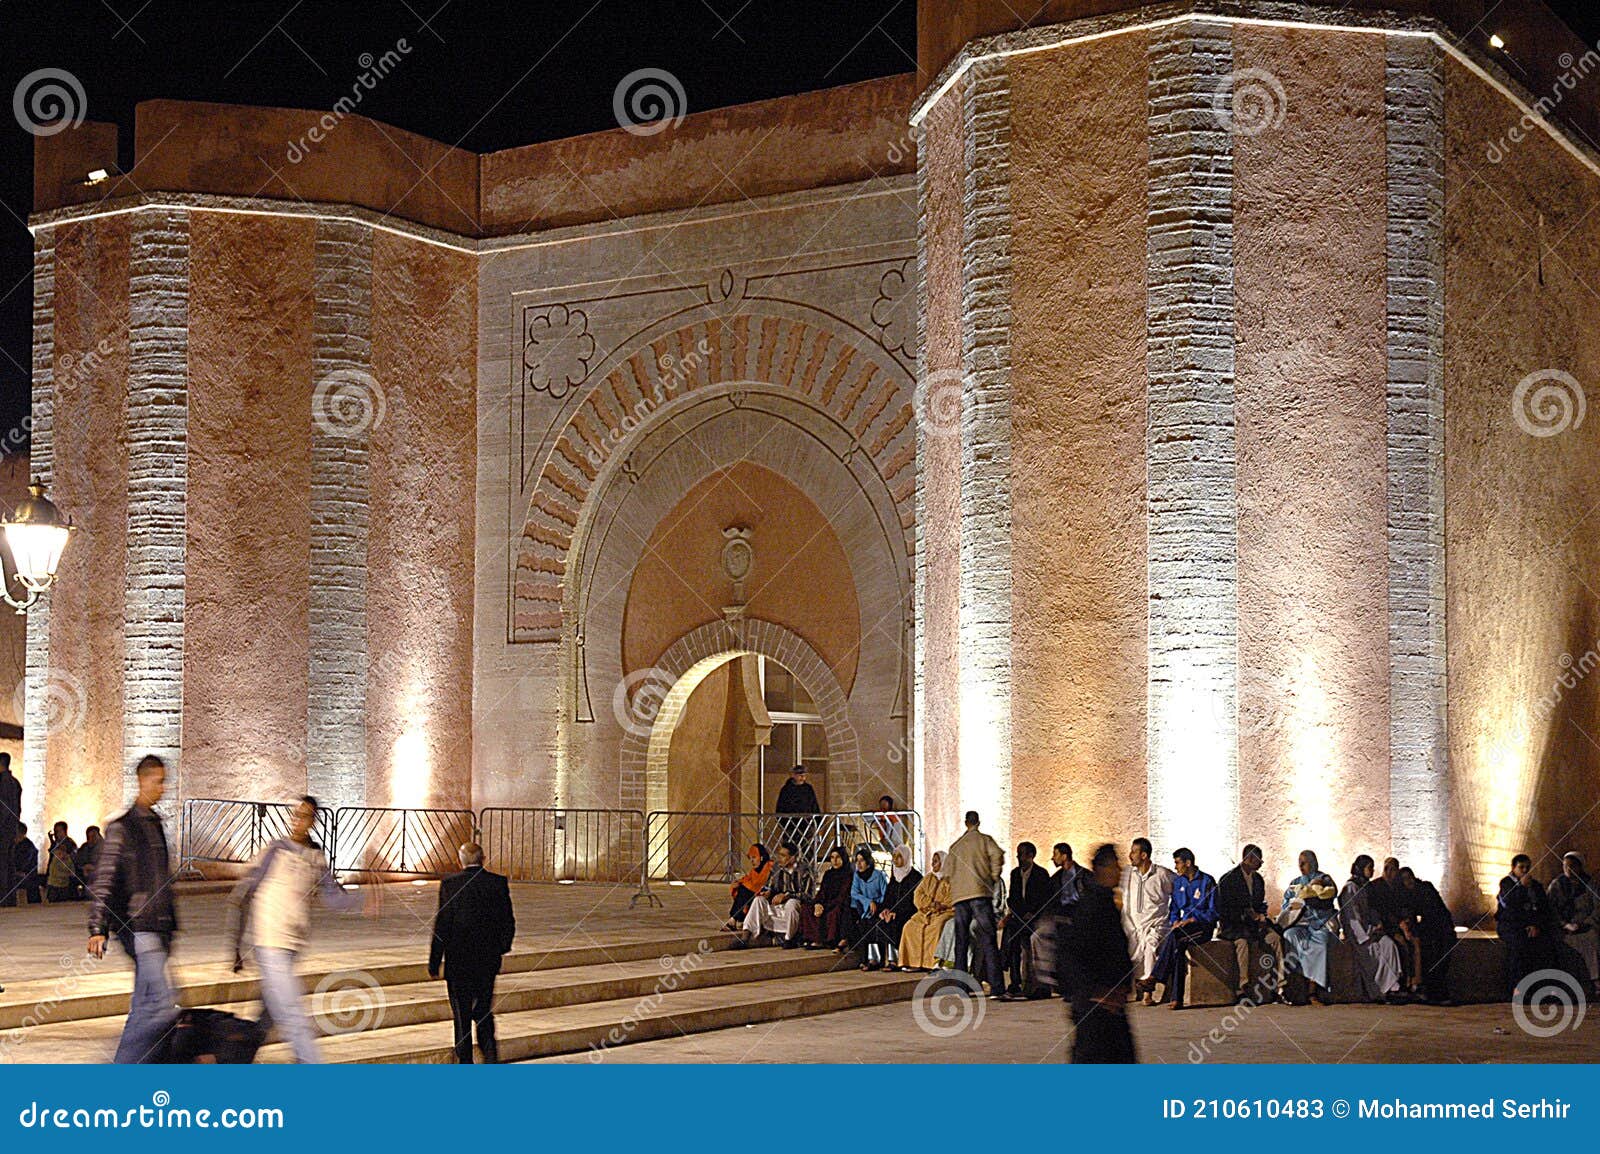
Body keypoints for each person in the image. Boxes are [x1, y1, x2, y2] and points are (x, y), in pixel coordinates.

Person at [229, 795, 365, 1063]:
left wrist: (364, 899)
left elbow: (333, 897)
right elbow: (243, 894)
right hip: (269, 942)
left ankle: (235, 1060)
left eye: (304, 816)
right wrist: (235, 946)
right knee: (292, 1013)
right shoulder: (275, 851)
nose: (297, 821)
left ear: (312, 820)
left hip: (292, 945)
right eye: (295, 815)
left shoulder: (316, 856)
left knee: (267, 1015)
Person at [87, 755, 179, 1064]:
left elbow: (161, 880)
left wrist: (171, 922)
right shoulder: (122, 828)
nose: (163, 788)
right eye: (158, 781)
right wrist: (97, 928)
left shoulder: (155, 824)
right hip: (139, 926)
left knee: (144, 1006)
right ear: (142, 781)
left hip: (160, 927)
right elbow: (104, 878)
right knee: (163, 1007)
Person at [429, 841, 516, 1063]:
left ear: (461, 860)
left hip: (458, 961)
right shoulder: (497, 883)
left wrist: (435, 960)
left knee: (462, 1015)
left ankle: (465, 1061)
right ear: (483, 859)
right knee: (484, 1010)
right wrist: (500, 948)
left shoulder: (451, 884)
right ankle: (490, 1056)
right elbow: (508, 921)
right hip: (487, 961)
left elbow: (443, 924)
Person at [1060, 844, 1138, 1063]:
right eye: (1115, 865)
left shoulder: (1106, 902)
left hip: (1110, 1003)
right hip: (1097, 1006)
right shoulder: (1090, 906)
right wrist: (1096, 991)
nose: (1120, 871)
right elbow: (1074, 954)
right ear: (1101, 869)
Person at [946, 810, 1005, 996]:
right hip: (980, 893)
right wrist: (993, 876)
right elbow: (997, 856)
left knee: (961, 942)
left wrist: (957, 886)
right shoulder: (985, 841)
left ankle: (961, 988)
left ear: (966, 823)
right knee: (988, 939)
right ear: (978, 822)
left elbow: (947, 873)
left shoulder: (956, 846)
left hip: (960, 897)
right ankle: (996, 987)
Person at [1216, 844, 1284, 1004]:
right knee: (1242, 943)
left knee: (1275, 939)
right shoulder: (1228, 879)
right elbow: (1223, 908)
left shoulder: (1258, 880)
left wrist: (1260, 916)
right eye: (1259, 860)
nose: (1261, 864)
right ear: (1250, 859)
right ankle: (1242, 987)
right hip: (1234, 926)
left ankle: (1279, 986)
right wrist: (1245, 914)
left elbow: (1259, 904)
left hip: (1254, 926)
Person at [1149, 847, 1216, 1009]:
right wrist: (1175, 921)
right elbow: (1173, 909)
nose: (1176, 867)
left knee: (1175, 938)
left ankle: (1156, 977)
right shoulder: (1179, 882)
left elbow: (1214, 912)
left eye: (1178, 863)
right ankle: (1176, 999)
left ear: (1188, 863)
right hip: (1182, 930)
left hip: (1202, 928)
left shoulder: (1207, 882)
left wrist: (1194, 918)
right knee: (1178, 946)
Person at [1339, 855, 1405, 1003]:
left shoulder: (1364, 887)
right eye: (1369, 867)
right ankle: (1383, 991)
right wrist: (1369, 932)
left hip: (1371, 930)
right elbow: (1352, 918)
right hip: (1360, 936)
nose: (1372, 871)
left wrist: (1377, 925)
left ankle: (1393, 988)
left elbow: (1371, 910)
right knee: (1374, 954)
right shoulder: (1350, 888)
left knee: (1389, 945)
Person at [1280, 850, 1338, 1005]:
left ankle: (1313, 990)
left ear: (1313, 863)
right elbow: (1286, 904)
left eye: (1304, 862)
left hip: (1320, 924)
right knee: (1289, 936)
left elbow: (1329, 898)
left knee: (1321, 945)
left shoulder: (1324, 879)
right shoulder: (1296, 882)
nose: (1301, 865)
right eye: (1299, 862)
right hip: (1300, 924)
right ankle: (1296, 988)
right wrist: (1294, 906)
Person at [1121, 837, 1173, 1005]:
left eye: (1134, 852)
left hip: (1156, 923)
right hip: (1133, 924)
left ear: (1144, 855)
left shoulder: (1162, 874)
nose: (1130, 855)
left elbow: (1179, 890)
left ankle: (1147, 994)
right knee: (1131, 952)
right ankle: (1131, 991)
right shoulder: (1128, 874)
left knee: (1150, 947)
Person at [1498, 853, 1556, 1001]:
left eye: (1527, 867)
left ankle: (1542, 989)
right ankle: (1517, 989)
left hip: (1532, 927)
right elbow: (1510, 906)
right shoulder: (1506, 884)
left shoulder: (1536, 885)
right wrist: (1522, 888)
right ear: (1513, 868)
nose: (1524, 870)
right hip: (1512, 926)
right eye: (1521, 867)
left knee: (1546, 947)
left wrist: (1535, 925)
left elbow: (1543, 908)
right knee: (1518, 948)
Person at [1397, 865, 1456, 1004]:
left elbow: (1433, 910)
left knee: (1439, 961)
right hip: (1433, 931)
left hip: (1441, 929)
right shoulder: (1409, 895)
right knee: (1433, 961)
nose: (1408, 881)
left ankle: (1438, 994)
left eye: (1409, 877)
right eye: (1404, 879)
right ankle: (1435, 994)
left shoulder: (1425, 888)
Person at [1002, 841, 1051, 999]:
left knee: (1026, 936)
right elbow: (1013, 898)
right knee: (1010, 935)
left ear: (1031, 856)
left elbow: (1044, 899)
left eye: (1022, 854)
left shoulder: (1041, 874)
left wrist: (1032, 913)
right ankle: (1014, 983)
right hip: (1020, 918)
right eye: (1018, 854)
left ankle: (1035, 985)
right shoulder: (1015, 874)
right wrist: (1018, 913)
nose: (1019, 858)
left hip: (1035, 919)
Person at [737, 840, 810, 948]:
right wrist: (767, 893)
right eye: (779, 855)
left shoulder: (803, 871)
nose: (779, 858)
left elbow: (808, 895)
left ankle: (789, 939)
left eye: (783, 856)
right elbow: (769, 886)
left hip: (793, 909)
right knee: (758, 900)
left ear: (792, 858)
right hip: (777, 906)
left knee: (792, 903)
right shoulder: (776, 868)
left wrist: (787, 896)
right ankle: (745, 936)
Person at [1547, 852, 1599, 996]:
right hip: (1564, 928)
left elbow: (1597, 908)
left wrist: (1583, 924)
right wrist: (1564, 924)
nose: (1568, 870)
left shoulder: (1590, 884)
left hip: (1586, 927)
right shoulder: (1557, 885)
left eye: (1572, 866)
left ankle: (1595, 982)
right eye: (1565, 866)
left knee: (1592, 940)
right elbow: (1551, 910)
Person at [1372, 856, 1421, 994]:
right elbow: (1382, 911)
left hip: (1398, 925)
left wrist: (1406, 921)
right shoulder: (1376, 886)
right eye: (1388, 869)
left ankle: (1415, 981)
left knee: (1415, 942)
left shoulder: (1397, 888)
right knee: (1402, 945)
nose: (1390, 872)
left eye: (1393, 869)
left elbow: (1403, 907)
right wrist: (1399, 925)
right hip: (1386, 926)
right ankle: (1403, 982)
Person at [899, 849, 952, 970]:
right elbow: (917, 895)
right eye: (932, 861)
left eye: (936, 861)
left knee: (937, 927)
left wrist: (940, 906)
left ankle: (933, 963)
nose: (933, 864)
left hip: (944, 912)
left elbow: (952, 899)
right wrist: (929, 904)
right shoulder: (928, 878)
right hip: (926, 911)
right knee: (909, 926)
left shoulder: (951, 879)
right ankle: (912, 963)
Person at [873, 843, 921, 969]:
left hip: (909, 913)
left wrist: (897, 913)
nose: (895, 860)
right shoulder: (894, 876)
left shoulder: (915, 877)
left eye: (899, 856)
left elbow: (914, 902)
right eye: (894, 856)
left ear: (906, 857)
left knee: (896, 924)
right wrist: (885, 910)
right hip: (893, 913)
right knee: (879, 922)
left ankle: (895, 960)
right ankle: (882, 960)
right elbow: (888, 898)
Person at [799, 845, 852, 949]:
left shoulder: (848, 875)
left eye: (838, 857)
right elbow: (822, 892)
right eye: (832, 857)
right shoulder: (829, 874)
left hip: (839, 904)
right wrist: (817, 903)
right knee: (806, 908)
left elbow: (843, 895)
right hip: (825, 903)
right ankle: (811, 938)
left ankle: (826, 940)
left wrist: (824, 906)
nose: (835, 860)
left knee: (834, 912)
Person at [850, 846, 888, 967]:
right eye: (857, 861)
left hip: (879, 907)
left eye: (862, 860)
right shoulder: (857, 876)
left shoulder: (879, 875)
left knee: (876, 926)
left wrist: (875, 903)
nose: (859, 864)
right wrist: (868, 901)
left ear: (868, 862)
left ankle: (881, 959)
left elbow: (885, 894)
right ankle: (865, 959)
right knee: (862, 926)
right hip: (864, 909)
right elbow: (854, 893)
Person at [723, 843, 772, 930]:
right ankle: (735, 918)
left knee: (745, 890)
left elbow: (758, 884)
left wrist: (745, 885)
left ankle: (734, 919)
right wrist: (738, 883)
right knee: (742, 888)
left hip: (768, 897)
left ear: (761, 857)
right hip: (755, 896)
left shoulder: (770, 866)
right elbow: (748, 879)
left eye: (754, 857)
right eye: (750, 858)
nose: (752, 861)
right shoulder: (754, 871)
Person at [774, 765, 820, 848]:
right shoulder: (786, 789)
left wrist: (816, 822)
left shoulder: (808, 789)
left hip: (807, 824)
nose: (802, 777)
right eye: (800, 775)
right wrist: (784, 822)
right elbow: (780, 807)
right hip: (790, 824)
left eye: (804, 775)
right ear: (793, 775)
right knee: (789, 849)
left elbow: (814, 805)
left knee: (807, 849)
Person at [0, 752, 19, 907]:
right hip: (11, 829)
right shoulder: (15, 782)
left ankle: (4, 899)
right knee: (9, 864)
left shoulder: (4, 782)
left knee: (3, 865)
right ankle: (9, 899)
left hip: (4, 830)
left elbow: (4, 808)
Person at [45, 821, 78, 902]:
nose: (58, 834)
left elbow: (73, 860)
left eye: (60, 831)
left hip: (64, 881)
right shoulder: (55, 843)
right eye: (56, 831)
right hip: (53, 880)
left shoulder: (69, 843)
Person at [10, 823, 40, 904]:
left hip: (29, 881)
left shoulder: (27, 846)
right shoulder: (18, 845)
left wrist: (15, 870)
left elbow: (24, 863)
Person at [74, 826, 103, 893]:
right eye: (90, 836)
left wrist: (94, 868)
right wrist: (84, 867)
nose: (92, 839)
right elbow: (78, 860)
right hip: (85, 873)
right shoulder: (84, 847)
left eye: (94, 836)